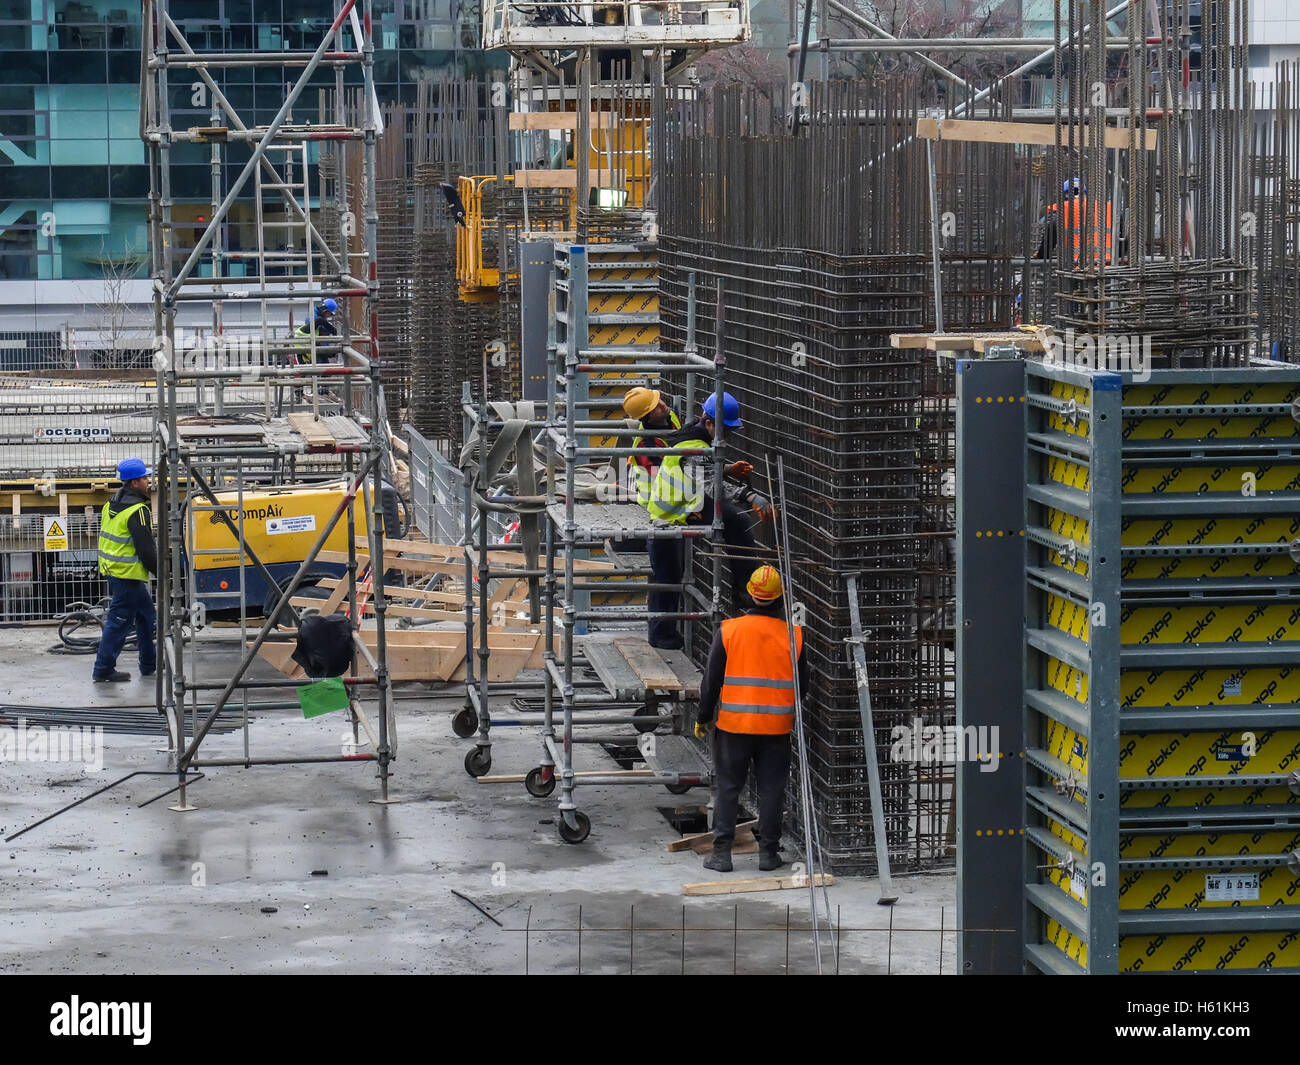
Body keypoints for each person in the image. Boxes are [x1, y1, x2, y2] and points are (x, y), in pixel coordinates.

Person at [695, 565, 807, 873]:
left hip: (733, 728)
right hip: (776, 729)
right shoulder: (794, 637)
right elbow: (803, 687)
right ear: (781, 598)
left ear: (750, 593)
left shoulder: (729, 631)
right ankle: (768, 854)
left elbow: (711, 682)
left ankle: (721, 855)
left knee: (730, 787)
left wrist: (703, 716)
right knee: (772, 789)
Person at [642, 390, 771, 650]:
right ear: (709, 422)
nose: (728, 436)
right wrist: (749, 496)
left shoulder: (694, 435)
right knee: (667, 577)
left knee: (668, 575)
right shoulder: (694, 446)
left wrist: (727, 468)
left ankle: (664, 631)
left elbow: (703, 468)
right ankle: (661, 634)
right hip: (670, 517)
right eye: (725, 430)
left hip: (678, 512)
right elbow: (710, 484)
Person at [93, 457, 157, 683]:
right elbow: (146, 549)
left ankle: (149, 663)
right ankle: (103, 668)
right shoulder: (138, 510)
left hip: (114, 571)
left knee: (147, 616)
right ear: (134, 483)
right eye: (145, 478)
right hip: (126, 575)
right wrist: (161, 572)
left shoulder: (110, 504)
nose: (148, 481)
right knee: (118, 623)